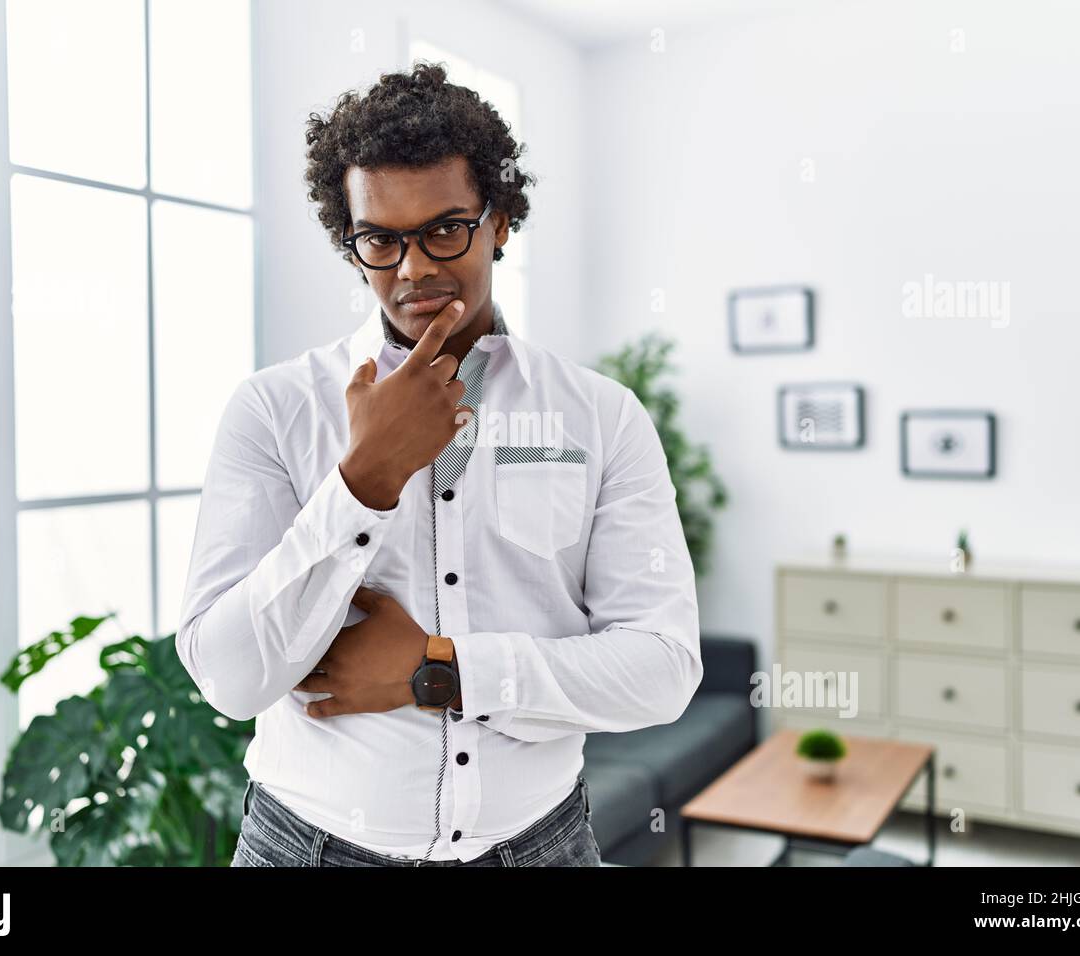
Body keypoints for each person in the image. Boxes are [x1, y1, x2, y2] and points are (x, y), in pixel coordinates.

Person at [176, 61, 701, 867]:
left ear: (499, 222)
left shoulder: (602, 416)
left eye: (445, 230)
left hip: (543, 845)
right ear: (352, 245)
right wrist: (364, 482)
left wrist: (441, 671)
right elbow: (230, 678)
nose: (413, 268)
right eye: (380, 240)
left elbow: (661, 668)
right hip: (306, 847)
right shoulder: (272, 411)